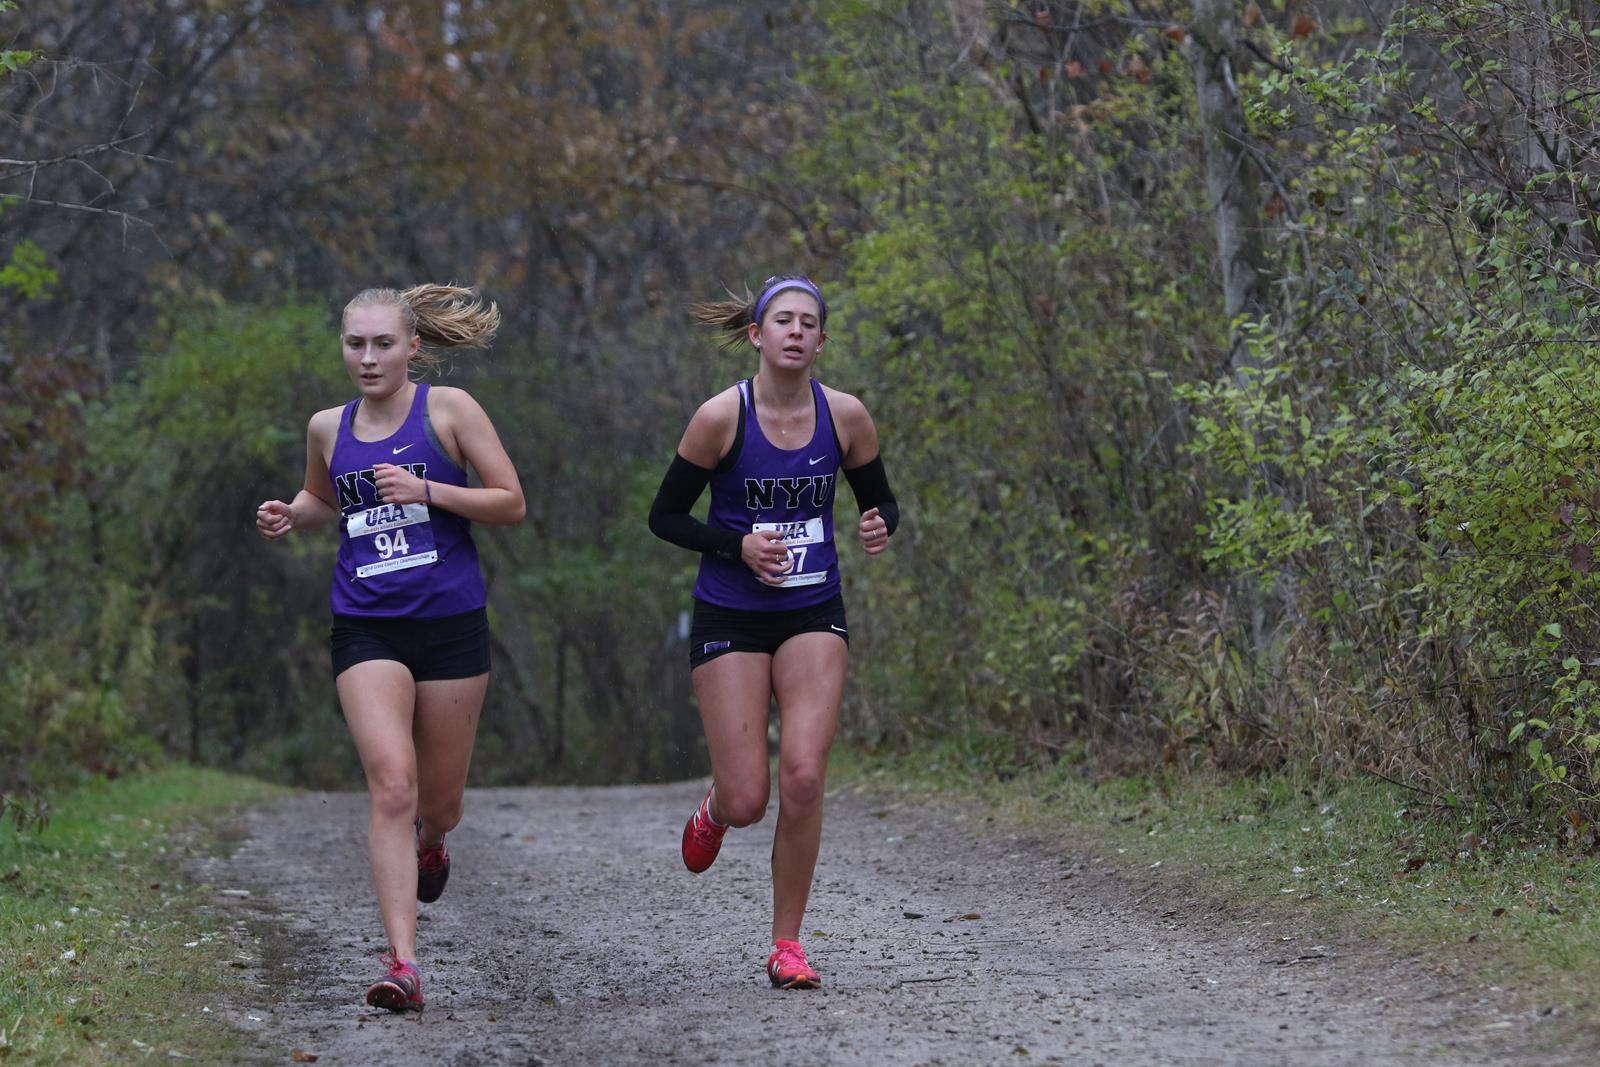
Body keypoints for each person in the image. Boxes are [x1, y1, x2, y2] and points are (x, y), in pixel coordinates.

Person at [255, 284, 525, 1012]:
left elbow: (510, 501)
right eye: (355, 344)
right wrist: (292, 514)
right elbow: (324, 498)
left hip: (451, 624)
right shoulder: (327, 426)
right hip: (365, 624)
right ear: (342, 348)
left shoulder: (450, 411)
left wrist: (428, 491)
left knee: (439, 802)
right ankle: (403, 962)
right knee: (393, 785)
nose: (368, 358)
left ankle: (433, 842)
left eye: (382, 343)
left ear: (413, 346)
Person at [648, 274, 900, 989]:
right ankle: (716, 808)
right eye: (782, 320)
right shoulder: (720, 417)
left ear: (821, 340)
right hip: (731, 612)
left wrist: (879, 524)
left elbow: (881, 502)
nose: (795, 331)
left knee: (806, 775)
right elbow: (665, 517)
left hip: (812, 609)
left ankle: (787, 943)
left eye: (808, 323)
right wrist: (736, 545)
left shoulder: (844, 416)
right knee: (748, 799)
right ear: (757, 335)